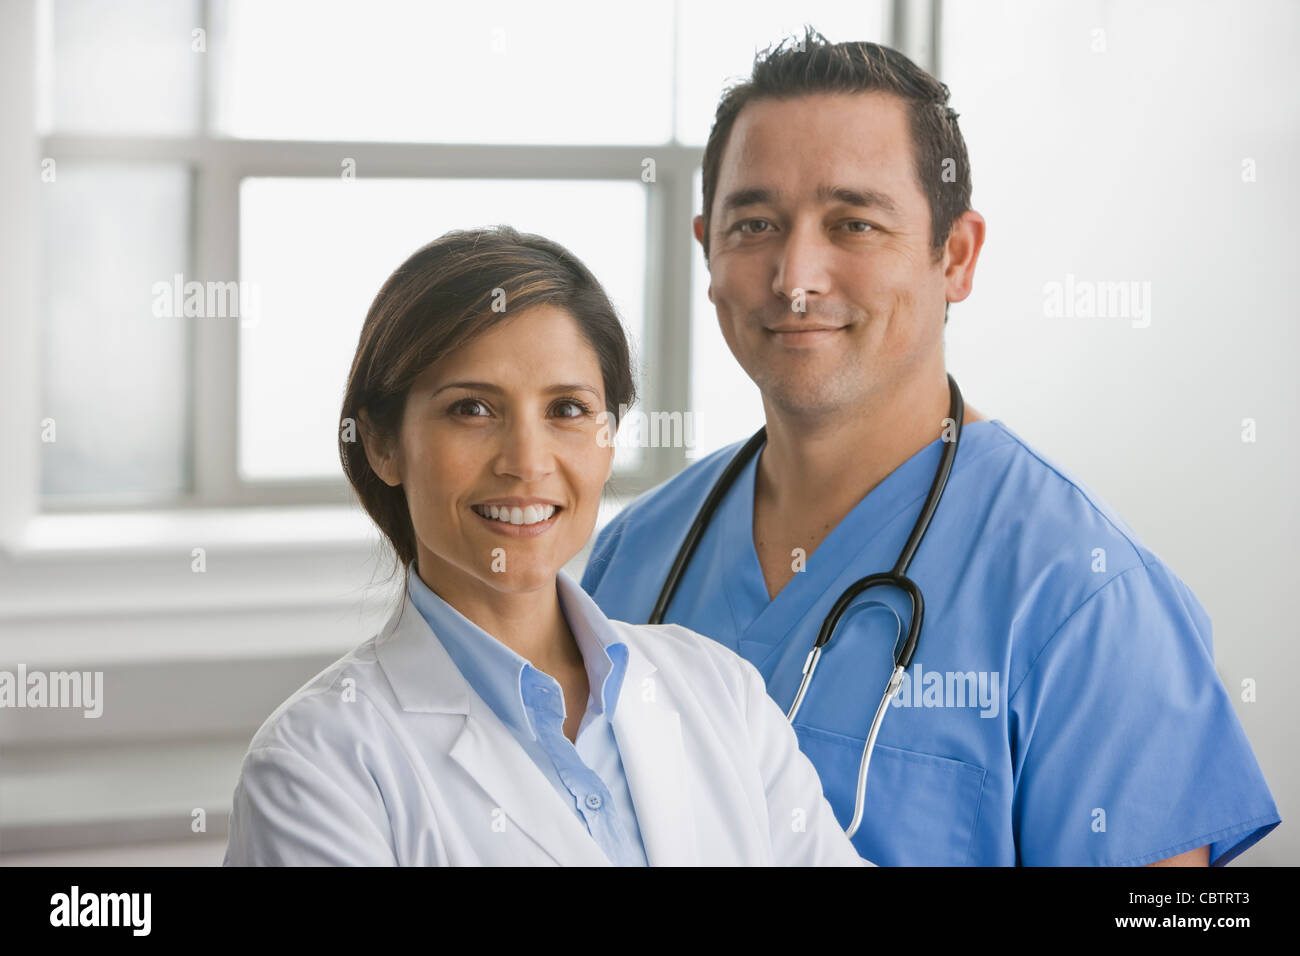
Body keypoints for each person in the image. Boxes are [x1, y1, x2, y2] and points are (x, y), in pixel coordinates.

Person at [580, 28, 1281, 866]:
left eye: (854, 224)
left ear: (955, 255)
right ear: (708, 250)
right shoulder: (635, 555)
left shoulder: (1086, 598)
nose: (796, 276)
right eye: (756, 223)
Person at [222, 226, 867, 866]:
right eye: (472, 409)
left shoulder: (720, 691)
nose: (527, 463)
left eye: (567, 410)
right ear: (383, 444)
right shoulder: (318, 764)